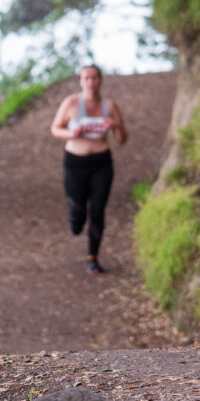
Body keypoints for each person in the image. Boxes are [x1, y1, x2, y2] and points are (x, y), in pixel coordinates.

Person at [50, 64, 128, 275]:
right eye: (86, 78)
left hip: (101, 163)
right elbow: (55, 128)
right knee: (78, 213)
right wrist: (71, 133)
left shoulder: (110, 106)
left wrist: (115, 125)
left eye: (94, 78)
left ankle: (92, 258)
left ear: (100, 80)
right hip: (75, 162)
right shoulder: (71, 103)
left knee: (98, 210)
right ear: (81, 81)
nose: (90, 82)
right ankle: (76, 221)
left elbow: (122, 139)